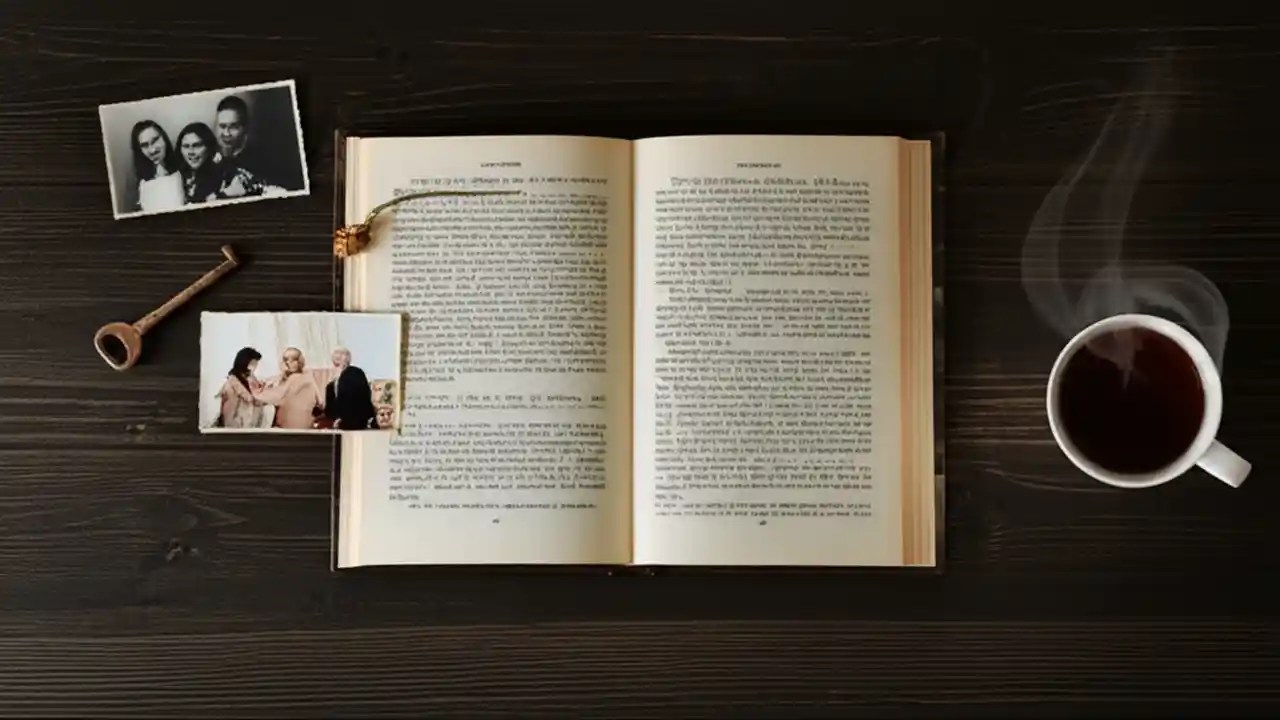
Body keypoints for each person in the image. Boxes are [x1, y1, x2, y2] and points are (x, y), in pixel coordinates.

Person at [254, 347, 324, 430]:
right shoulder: (307, 377)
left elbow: (278, 396)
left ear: (299, 361)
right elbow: (321, 401)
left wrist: (256, 395)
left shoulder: (297, 377)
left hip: (293, 427)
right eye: (286, 360)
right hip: (301, 426)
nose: (288, 363)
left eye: (292, 360)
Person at [129, 120, 184, 213]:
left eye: (155, 141)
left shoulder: (183, 170)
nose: (152, 150)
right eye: (144, 145)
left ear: (164, 138)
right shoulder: (143, 183)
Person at [323, 346, 377, 430]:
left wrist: (343, 419)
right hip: (337, 424)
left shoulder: (355, 373)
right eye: (336, 353)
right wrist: (335, 419)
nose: (338, 356)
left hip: (355, 421)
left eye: (341, 353)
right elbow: (329, 406)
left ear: (347, 357)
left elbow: (360, 399)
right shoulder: (332, 381)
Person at [215, 347, 266, 429]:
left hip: (249, 427)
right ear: (245, 362)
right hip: (236, 429)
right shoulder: (231, 385)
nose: (255, 366)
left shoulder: (250, 379)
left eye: (256, 363)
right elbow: (229, 417)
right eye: (253, 363)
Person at [174, 122, 222, 204]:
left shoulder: (221, 176)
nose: (191, 152)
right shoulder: (177, 177)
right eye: (186, 146)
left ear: (208, 147)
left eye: (197, 145)